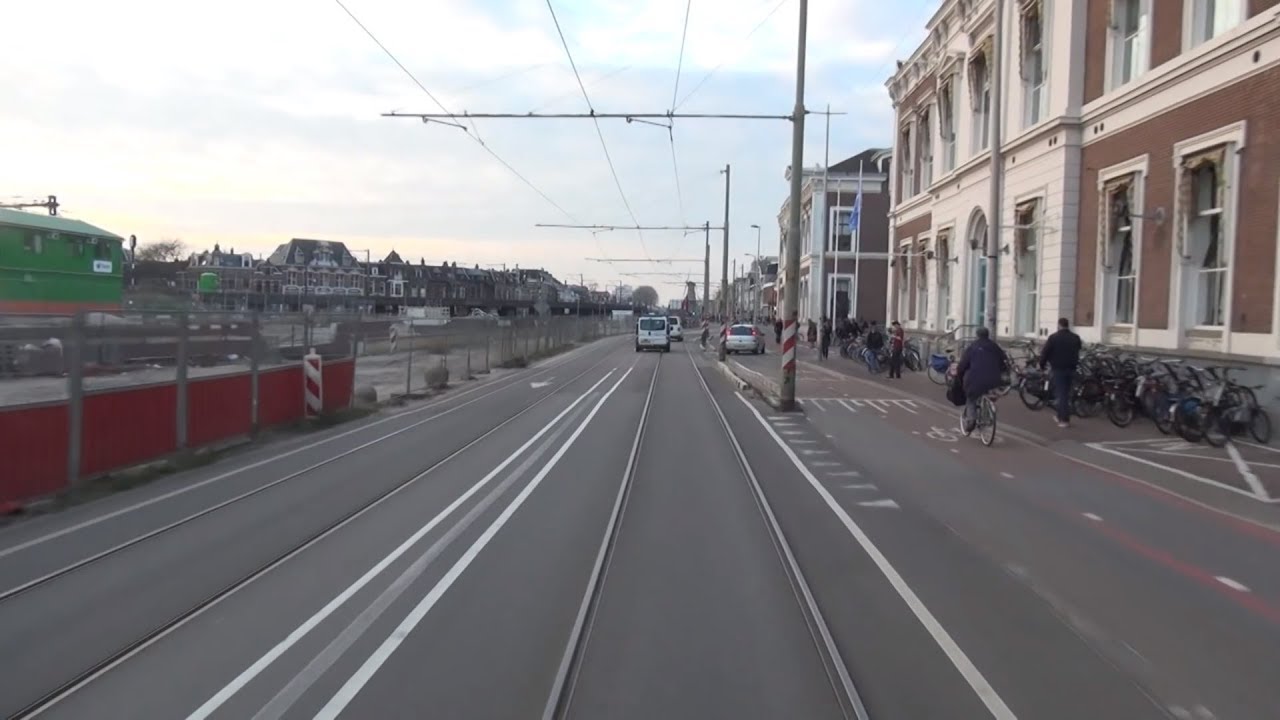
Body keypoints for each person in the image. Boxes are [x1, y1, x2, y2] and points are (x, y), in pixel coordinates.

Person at [954, 326, 1008, 435]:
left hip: (975, 380)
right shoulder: (994, 346)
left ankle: (971, 421)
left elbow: (963, 365)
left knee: (971, 398)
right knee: (989, 393)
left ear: (977, 335)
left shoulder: (972, 347)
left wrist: (959, 374)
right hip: (994, 379)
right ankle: (988, 413)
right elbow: (1003, 360)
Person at [1039, 317, 1083, 428]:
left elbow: (1045, 353)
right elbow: (1078, 349)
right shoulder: (1075, 338)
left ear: (1059, 325)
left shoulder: (1054, 338)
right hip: (1072, 368)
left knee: (1061, 394)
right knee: (1066, 393)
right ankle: (1060, 415)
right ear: (1068, 325)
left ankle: (1064, 420)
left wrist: (1042, 365)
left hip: (1059, 369)